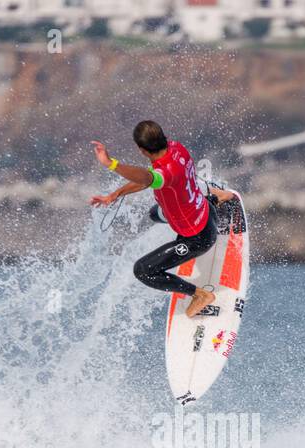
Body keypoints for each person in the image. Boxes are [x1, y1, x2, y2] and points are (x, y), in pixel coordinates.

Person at [90, 121, 235, 319]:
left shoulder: (166, 173)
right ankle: (216, 196)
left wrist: (111, 164)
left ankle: (200, 295)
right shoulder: (176, 147)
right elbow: (147, 179)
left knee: (143, 271)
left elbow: (148, 179)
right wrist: (115, 194)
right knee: (154, 213)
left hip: (198, 237)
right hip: (203, 208)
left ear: (142, 150)